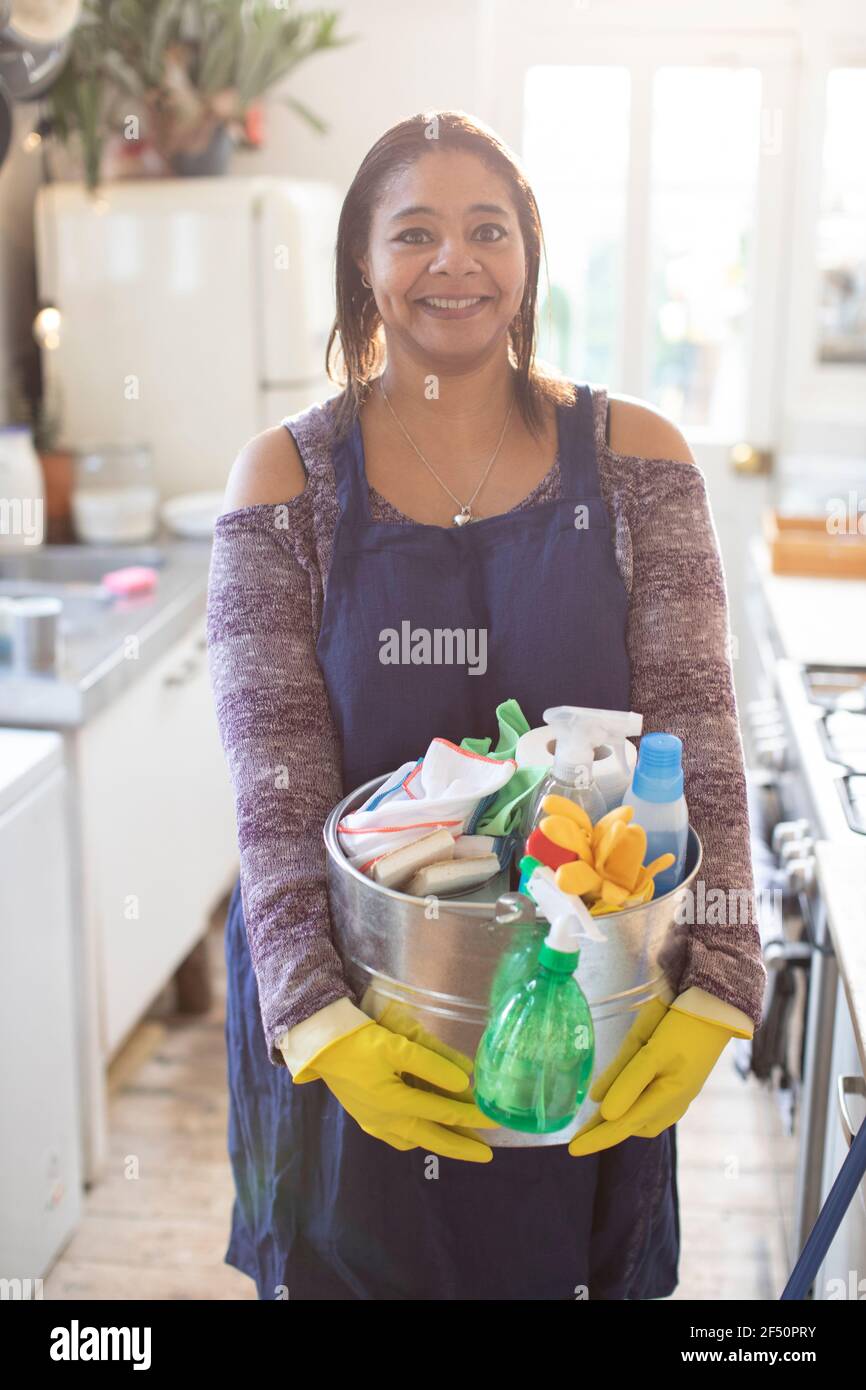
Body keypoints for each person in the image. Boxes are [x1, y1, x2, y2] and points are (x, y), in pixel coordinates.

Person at [206, 110, 766, 1301]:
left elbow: (697, 746)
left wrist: (719, 973)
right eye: (413, 233)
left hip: (587, 1023)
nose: (452, 263)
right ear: (362, 260)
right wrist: (312, 1017)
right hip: (360, 1028)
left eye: (485, 231)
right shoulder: (285, 484)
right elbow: (274, 789)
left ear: (527, 255)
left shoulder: (634, 461)